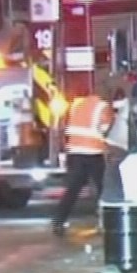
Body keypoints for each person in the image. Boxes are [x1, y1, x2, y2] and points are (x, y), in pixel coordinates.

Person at [51, 82, 122, 237]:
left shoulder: (79, 104)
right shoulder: (103, 107)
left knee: (73, 189)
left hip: (75, 151)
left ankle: (58, 220)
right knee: (102, 189)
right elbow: (104, 130)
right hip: (93, 153)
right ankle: (105, 222)